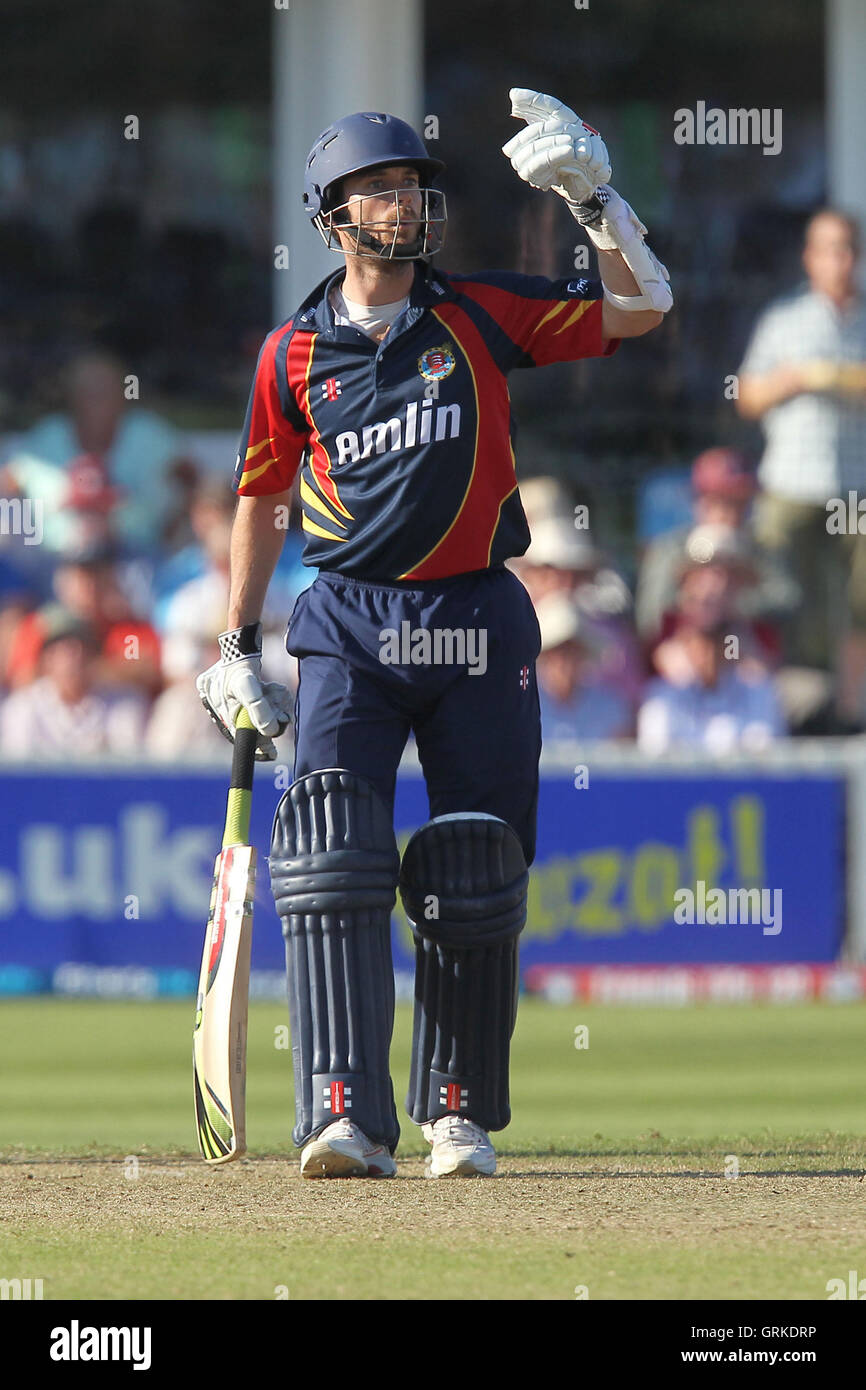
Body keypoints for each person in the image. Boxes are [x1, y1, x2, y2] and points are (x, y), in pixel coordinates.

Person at [197, 91, 671, 1179]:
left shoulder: (479, 313)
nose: (405, 205)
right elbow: (261, 498)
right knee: (329, 857)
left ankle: (454, 1110)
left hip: (475, 615)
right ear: (332, 216)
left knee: (474, 865)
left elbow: (644, 308)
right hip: (347, 623)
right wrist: (234, 643)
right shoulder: (291, 357)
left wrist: (595, 201)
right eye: (380, 190)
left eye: (412, 187)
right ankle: (340, 1115)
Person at [737, 209, 866, 717]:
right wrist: (798, 379)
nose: (842, 261)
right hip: (792, 482)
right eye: (831, 249)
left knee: (857, 607)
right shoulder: (783, 320)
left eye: (849, 249)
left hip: (857, 486)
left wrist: (844, 379)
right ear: (810, 258)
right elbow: (746, 397)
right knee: (780, 597)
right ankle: (790, 712)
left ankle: (852, 715)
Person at [638, 527, 785, 755]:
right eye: (705, 573)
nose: (714, 585)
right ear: (687, 581)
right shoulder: (664, 632)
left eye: (725, 574)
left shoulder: (757, 635)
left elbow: (760, 682)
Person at [635, 447, 799, 644]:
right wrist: (697, 600)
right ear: (698, 502)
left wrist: (732, 602)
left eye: (740, 503)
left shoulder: (761, 548)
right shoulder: (670, 548)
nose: (731, 513)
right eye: (721, 502)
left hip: (749, 659)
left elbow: (788, 600)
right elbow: (650, 616)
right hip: (681, 658)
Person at [0, 607, 149, 757]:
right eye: (63, 650)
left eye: (83, 648)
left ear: (95, 656)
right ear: (46, 659)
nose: (74, 658)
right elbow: (20, 774)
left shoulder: (124, 704)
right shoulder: (23, 708)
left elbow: (127, 769)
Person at [535, 592, 633, 741]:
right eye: (556, 652)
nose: (564, 661)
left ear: (583, 654)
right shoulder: (519, 706)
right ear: (543, 656)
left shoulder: (610, 706)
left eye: (572, 651)